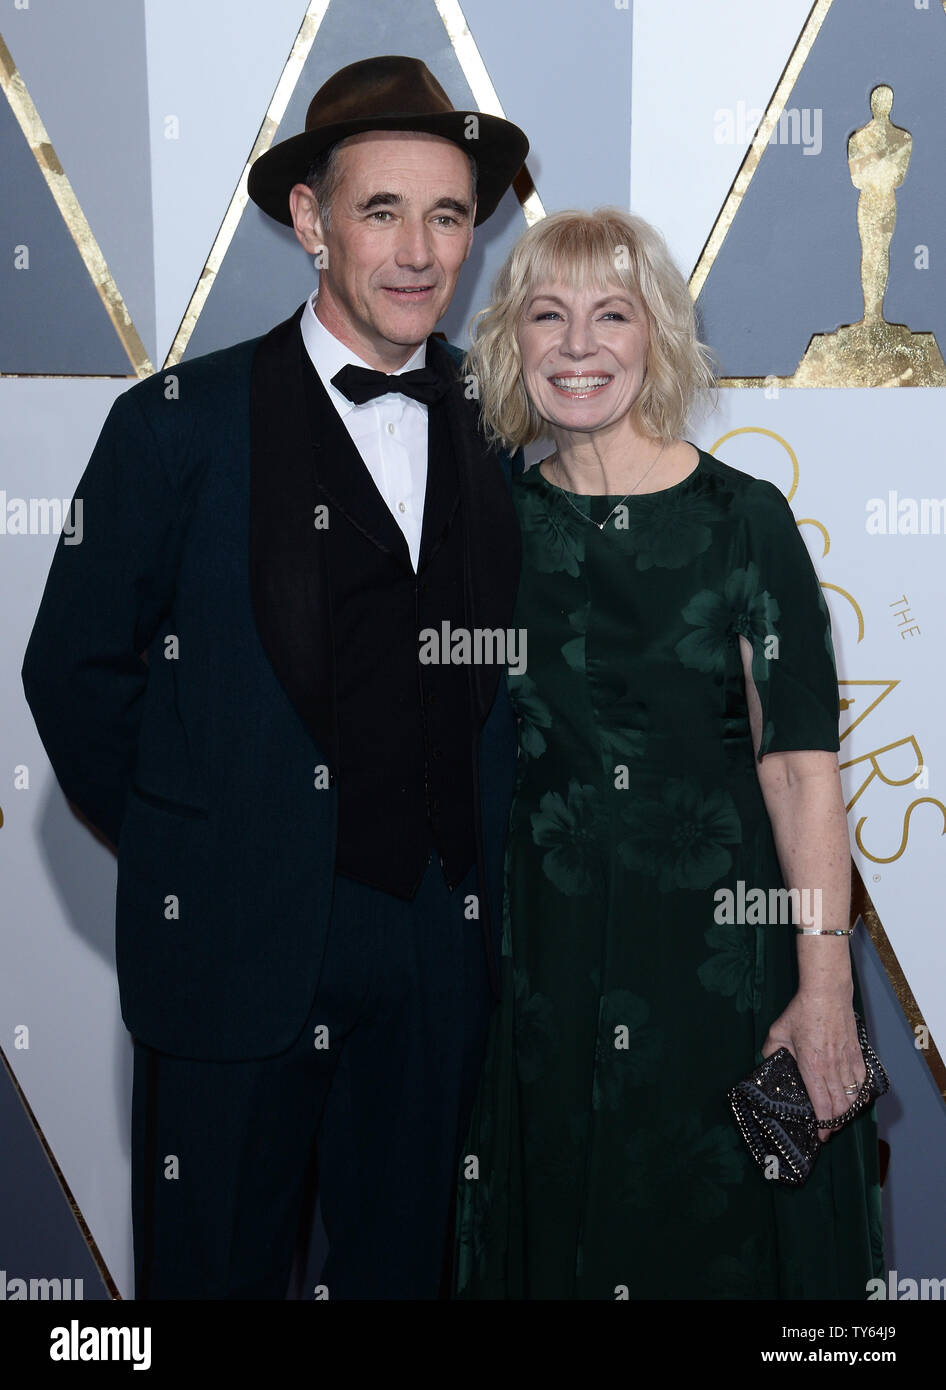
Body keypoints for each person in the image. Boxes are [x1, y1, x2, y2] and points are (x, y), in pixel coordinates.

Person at [21, 55, 528, 1300]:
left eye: (449, 214)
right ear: (309, 220)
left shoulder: (506, 425)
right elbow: (75, 672)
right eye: (380, 210)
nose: (418, 250)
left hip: (438, 954)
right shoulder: (174, 425)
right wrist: (202, 838)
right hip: (235, 952)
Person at [454, 207, 884, 1300]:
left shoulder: (745, 522)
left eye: (612, 314)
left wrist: (823, 983)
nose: (578, 344)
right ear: (512, 341)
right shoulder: (491, 528)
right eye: (547, 316)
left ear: (658, 339)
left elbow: (798, 768)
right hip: (546, 973)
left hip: (728, 969)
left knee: (729, 1250)